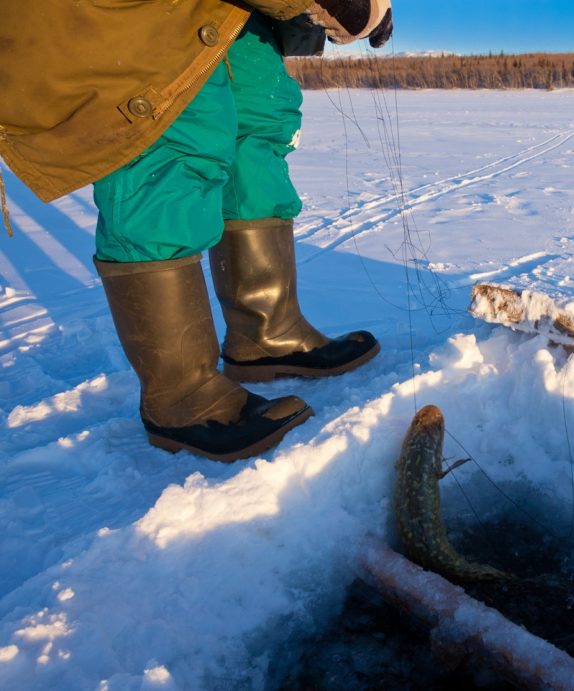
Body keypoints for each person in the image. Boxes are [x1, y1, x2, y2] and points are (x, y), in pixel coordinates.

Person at [0, 0, 394, 461]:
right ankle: (182, 393)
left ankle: (267, 332)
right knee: (172, 138)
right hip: (144, 13)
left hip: (246, 13)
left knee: (259, 128)